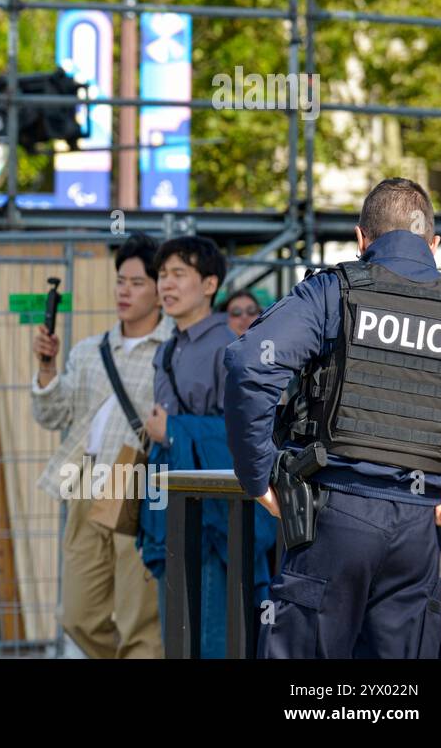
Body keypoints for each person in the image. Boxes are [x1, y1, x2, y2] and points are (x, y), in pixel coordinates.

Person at [226, 177, 441, 658]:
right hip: (420, 524)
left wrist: (257, 477)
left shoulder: (333, 291)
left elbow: (250, 362)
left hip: (334, 515)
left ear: (362, 238)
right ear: (433, 245)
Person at [31, 232, 172, 658]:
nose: (124, 292)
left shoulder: (172, 351)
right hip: (84, 478)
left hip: (137, 480)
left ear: (159, 292)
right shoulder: (91, 349)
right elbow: (51, 415)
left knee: (138, 619)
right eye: (120, 281)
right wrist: (47, 367)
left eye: (137, 283)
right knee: (77, 616)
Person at [138, 235, 276, 658]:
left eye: (180, 274)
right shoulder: (166, 349)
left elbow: (248, 431)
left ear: (211, 284)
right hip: (171, 511)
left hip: (218, 518)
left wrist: (176, 432)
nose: (167, 284)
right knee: (178, 640)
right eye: (162, 274)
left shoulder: (227, 349)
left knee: (214, 638)